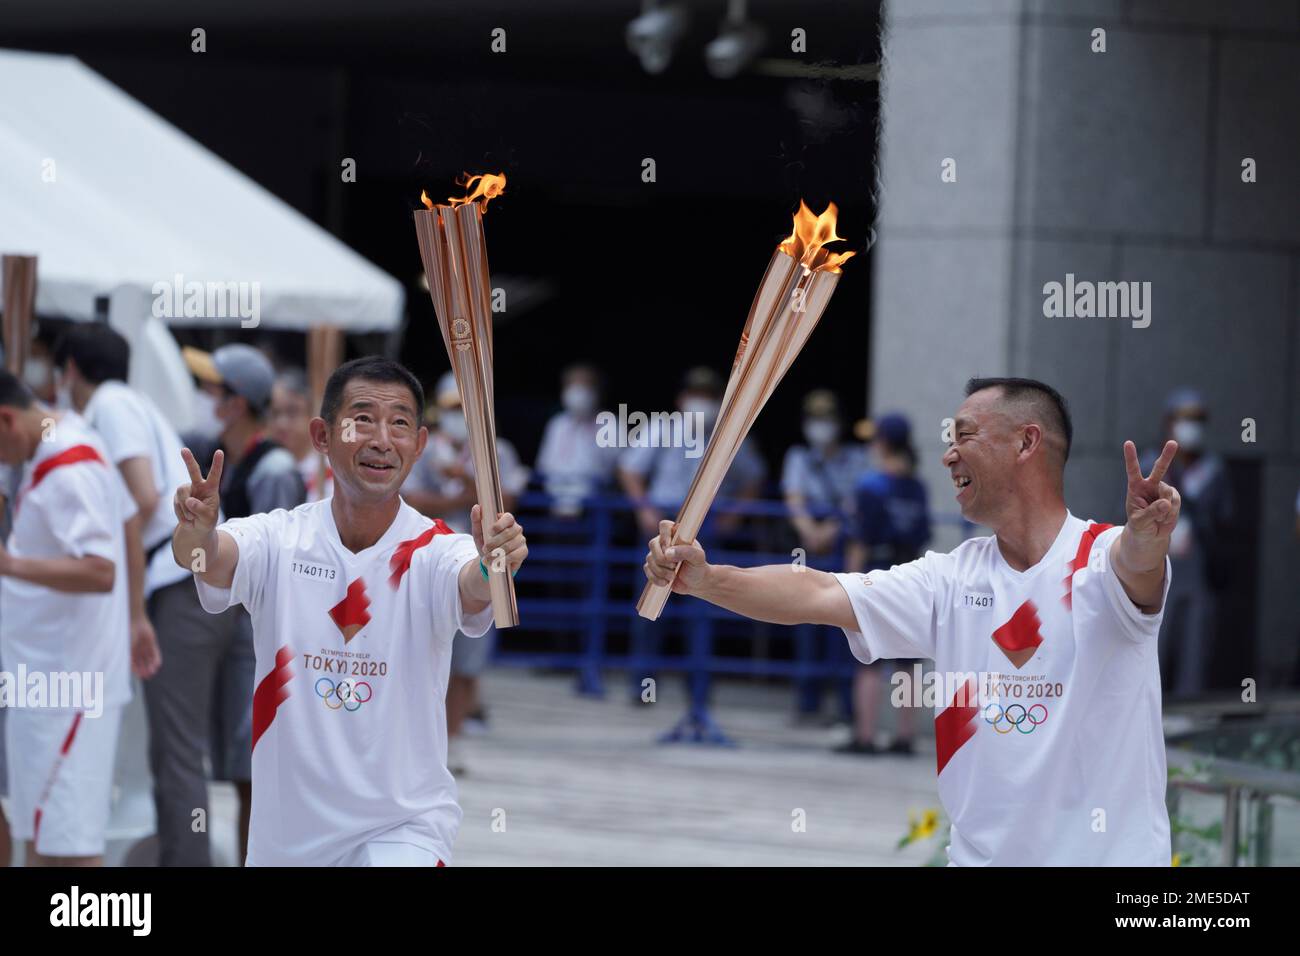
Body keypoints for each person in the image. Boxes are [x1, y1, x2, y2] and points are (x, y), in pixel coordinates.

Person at [645, 377, 1180, 866]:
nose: (947, 455)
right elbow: (820, 589)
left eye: (964, 435)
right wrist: (707, 580)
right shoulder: (950, 578)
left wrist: (1146, 538)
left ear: (1026, 443)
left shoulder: (1100, 559)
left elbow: (1135, 564)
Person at [172, 356, 527, 866]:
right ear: (322, 435)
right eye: (361, 418)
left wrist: (495, 566)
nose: (382, 439)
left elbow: (473, 586)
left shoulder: (434, 548)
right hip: (289, 838)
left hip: (403, 827)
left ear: (419, 444)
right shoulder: (279, 537)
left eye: (400, 423)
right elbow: (206, 558)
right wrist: (196, 531)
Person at [0, 369, 137, 866]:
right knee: (43, 841)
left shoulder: (70, 465)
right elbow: (126, 522)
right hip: (47, 681)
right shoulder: (72, 437)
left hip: (68, 689)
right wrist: (136, 618)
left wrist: (11, 564)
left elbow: (100, 571)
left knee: (71, 850)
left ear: (7, 419)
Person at [182, 343, 306, 860]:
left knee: (253, 768)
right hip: (220, 629)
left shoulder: (272, 467)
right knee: (235, 768)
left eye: (211, 388)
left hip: (253, 640)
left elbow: (278, 568)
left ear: (235, 402)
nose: (202, 397)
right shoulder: (216, 457)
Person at [402, 372, 528, 759]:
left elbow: (507, 502)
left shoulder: (497, 451)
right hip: (425, 559)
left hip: (482, 560)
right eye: (453, 408)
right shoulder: (423, 445)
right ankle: (418, 742)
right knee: (418, 654)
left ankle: (451, 741)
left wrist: (465, 481)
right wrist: (469, 497)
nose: (459, 416)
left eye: (465, 408)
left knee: (468, 660)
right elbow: (408, 498)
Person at [837, 413, 930, 755]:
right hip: (911, 576)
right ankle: (905, 737)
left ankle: (865, 736)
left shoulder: (870, 487)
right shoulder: (917, 487)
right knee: (908, 660)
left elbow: (858, 540)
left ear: (883, 443)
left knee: (869, 659)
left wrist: (846, 586)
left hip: (875, 576)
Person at [781, 390, 868, 721]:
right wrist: (809, 531)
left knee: (844, 623)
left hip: (843, 548)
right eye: (815, 419)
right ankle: (807, 702)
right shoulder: (798, 457)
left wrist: (830, 529)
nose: (821, 426)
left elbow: (857, 500)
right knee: (804, 619)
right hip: (807, 548)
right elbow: (794, 496)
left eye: (827, 419)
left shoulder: (857, 458)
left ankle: (847, 706)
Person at [1144, 389, 1233, 699]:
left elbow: (1226, 521)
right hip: (1156, 570)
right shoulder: (1149, 465)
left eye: (1198, 420)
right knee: (1152, 644)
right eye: (1186, 419)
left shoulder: (1214, 470)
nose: (1192, 426)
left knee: (1195, 647)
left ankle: (1189, 711)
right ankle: (1148, 707)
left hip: (1199, 572)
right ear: (1169, 422)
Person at [535, 363, 619, 516]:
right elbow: (544, 465)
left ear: (597, 391)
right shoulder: (557, 424)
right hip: (555, 501)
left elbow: (614, 468)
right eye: (572, 385)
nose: (578, 392)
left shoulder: (609, 423)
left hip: (593, 505)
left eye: (584, 385)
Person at [271, 368, 333, 502]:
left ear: (313, 413)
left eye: (292, 412)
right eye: (275, 413)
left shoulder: (331, 472)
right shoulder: (265, 469)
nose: (281, 423)